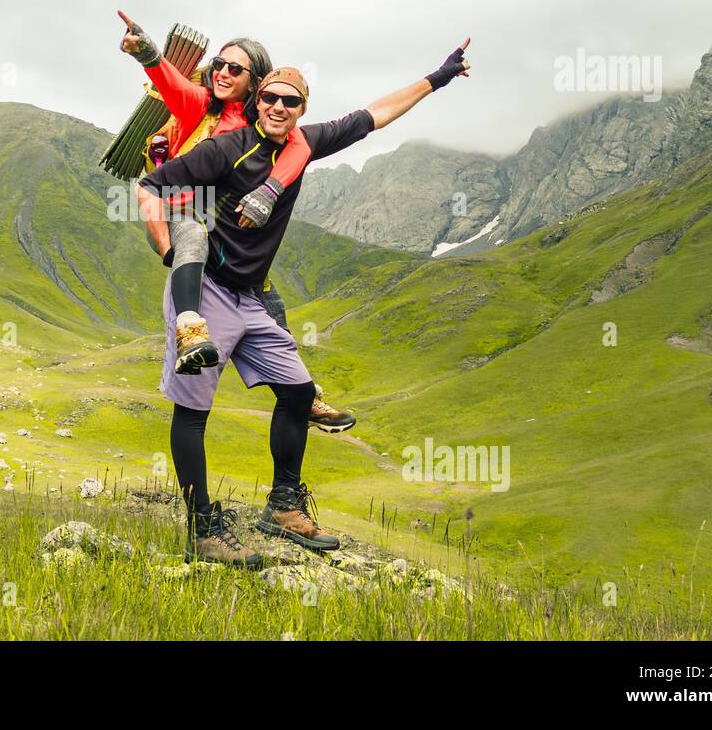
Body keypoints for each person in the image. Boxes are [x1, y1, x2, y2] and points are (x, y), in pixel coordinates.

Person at [135, 41, 472, 566]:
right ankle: (201, 527)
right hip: (208, 293)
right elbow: (153, 183)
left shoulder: (306, 144)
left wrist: (438, 77)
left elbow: (376, 114)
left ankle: (283, 507)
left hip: (253, 299)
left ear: (301, 111)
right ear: (256, 100)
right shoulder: (226, 149)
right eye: (269, 98)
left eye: (289, 102)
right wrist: (170, 243)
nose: (277, 107)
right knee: (193, 411)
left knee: (296, 393)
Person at [117, 11, 355, 433]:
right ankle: (190, 330)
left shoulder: (264, 122)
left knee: (268, 299)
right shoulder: (199, 105)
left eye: (235, 69)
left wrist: (271, 188)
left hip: (223, 227)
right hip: (182, 209)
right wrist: (147, 51)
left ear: (256, 83)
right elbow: (170, 82)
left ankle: (305, 393)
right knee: (191, 244)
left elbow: (300, 144)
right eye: (218, 66)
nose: (222, 73)